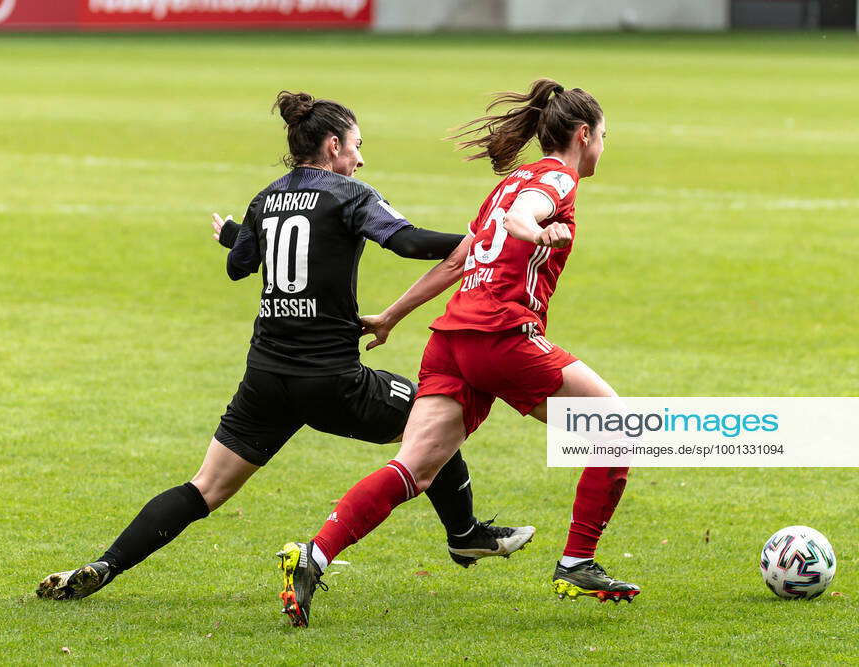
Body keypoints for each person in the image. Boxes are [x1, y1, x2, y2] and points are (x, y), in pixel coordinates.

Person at [35, 91, 534, 603]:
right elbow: (406, 242)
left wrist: (236, 232)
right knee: (438, 420)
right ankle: (466, 535)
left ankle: (104, 565)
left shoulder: (266, 197)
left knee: (205, 489)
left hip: (266, 379)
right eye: (357, 146)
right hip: (332, 379)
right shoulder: (349, 194)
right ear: (334, 144)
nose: (361, 159)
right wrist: (483, 236)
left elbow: (240, 265)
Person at [277, 79, 640, 628]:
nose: (604, 147)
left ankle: (314, 555)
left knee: (414, 468)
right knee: (616, 424)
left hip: (451, 340)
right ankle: (577, 560)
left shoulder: (510, 182)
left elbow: (456, 263)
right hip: (501, 335)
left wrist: (392, 315)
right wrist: (540, 232)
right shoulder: (553, 178)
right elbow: (527, 217)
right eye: (605, 136)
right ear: (583, 135)